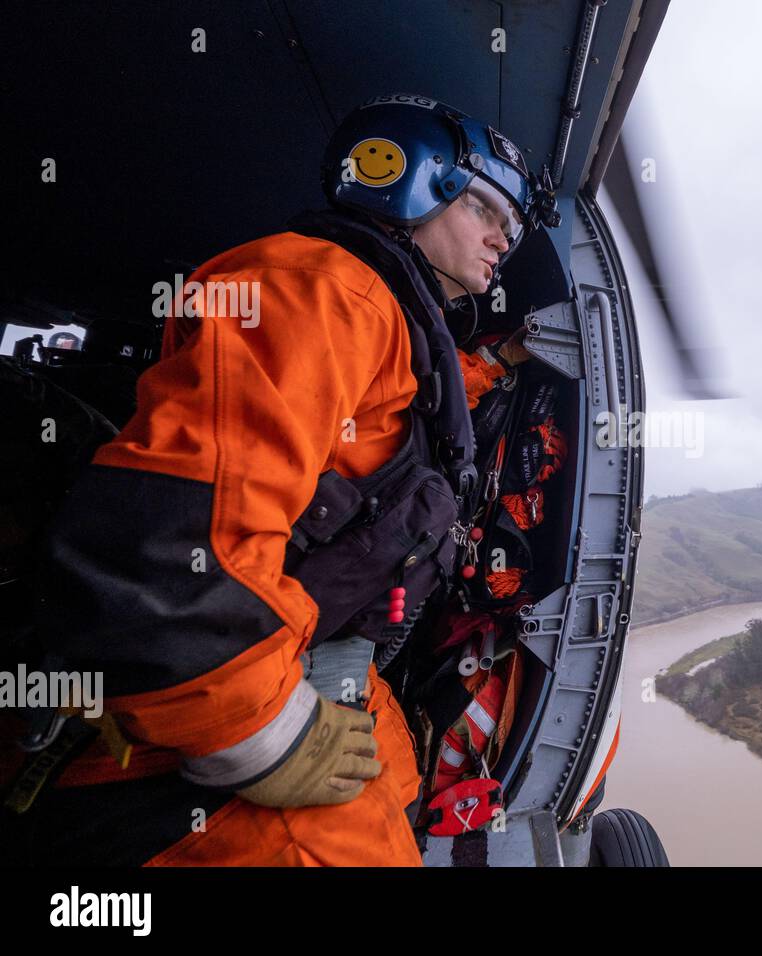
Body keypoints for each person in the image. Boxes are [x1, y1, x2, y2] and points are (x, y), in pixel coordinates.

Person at [0, 94, 553, 866]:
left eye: (514, 228)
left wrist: (497, 365)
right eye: (488, 208)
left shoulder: (374, 312)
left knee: (389, 760)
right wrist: (260, 740)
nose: (504, 239)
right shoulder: (322, 289)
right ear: (407, 181)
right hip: (190, 708)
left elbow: (389, 416)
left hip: (289, 659)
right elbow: (171, 543)